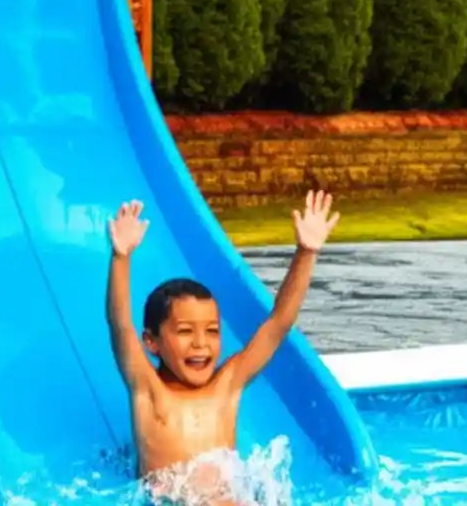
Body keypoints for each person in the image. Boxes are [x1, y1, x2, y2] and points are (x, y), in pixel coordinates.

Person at [105, 190, 341, 505]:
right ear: (152, 342)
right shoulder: (149, 391)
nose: (201, 343)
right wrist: (121, 257)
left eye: (212, 331)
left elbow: (278, 324)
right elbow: (120, 324)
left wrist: (306, 252)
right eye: (185, 331)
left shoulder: (226, 386)